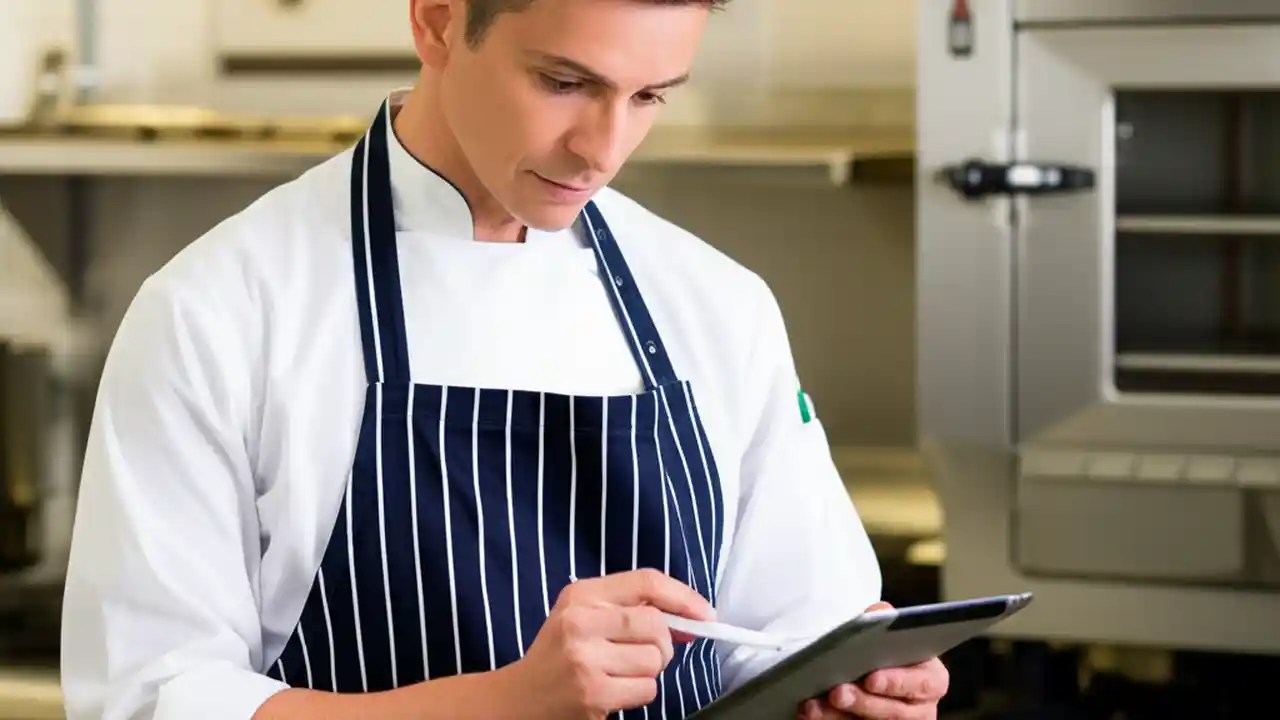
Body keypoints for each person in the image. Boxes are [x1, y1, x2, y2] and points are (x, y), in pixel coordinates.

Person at [59, 1, 949, 719]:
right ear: (438, 20)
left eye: (649, 97)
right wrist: (506, 704)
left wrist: (849, 686)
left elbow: (793, 632)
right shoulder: (222, 311)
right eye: (565, 82)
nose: (602, 150)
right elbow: (153, 699)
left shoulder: (717, 304)